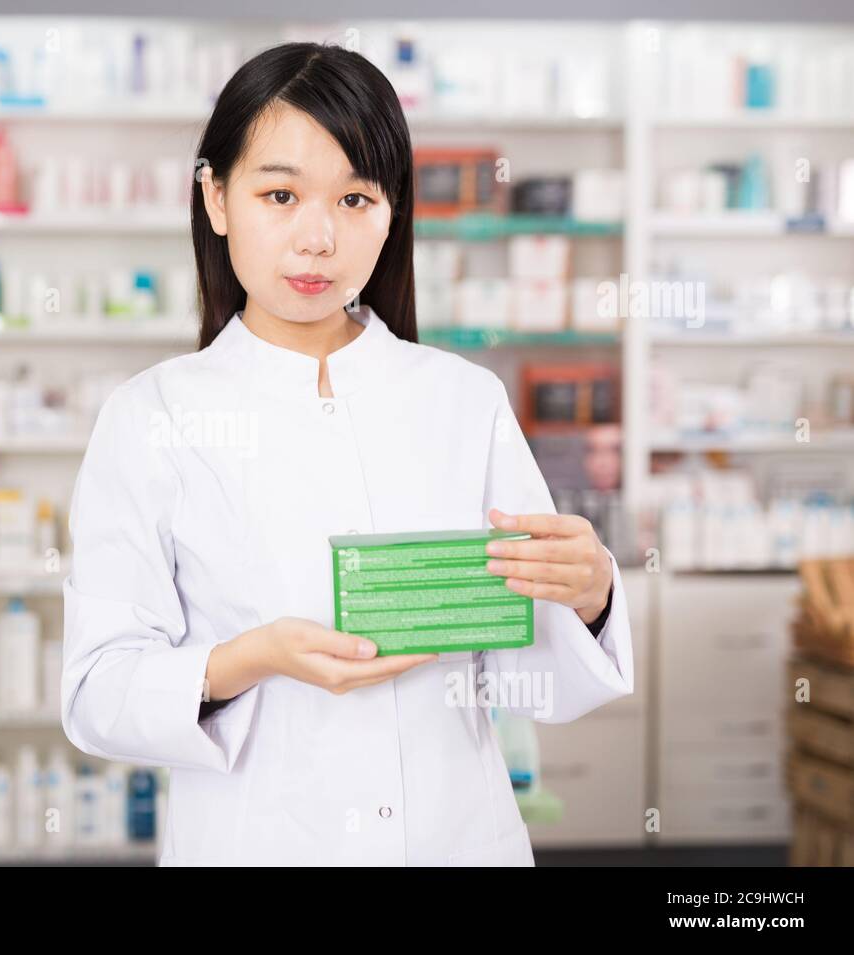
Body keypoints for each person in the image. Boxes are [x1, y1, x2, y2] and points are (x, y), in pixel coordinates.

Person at [61, 41, 633, 866]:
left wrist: (591, 595)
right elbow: (97, 694)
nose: (318, 237)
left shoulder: (462, 401)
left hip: (457, 838)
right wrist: (250, 659)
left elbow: (532, 673)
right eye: (281, 193)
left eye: (355, 198)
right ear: (216, 197)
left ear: (393, 212)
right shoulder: (153, 415)